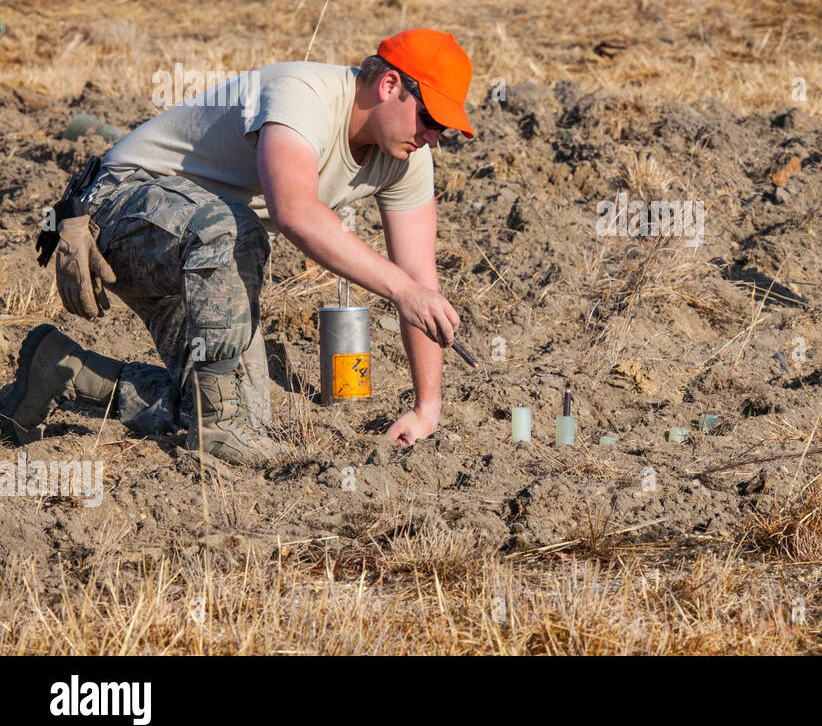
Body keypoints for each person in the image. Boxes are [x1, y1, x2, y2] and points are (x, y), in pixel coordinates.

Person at [1, 29, 472, 465]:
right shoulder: (303, 95)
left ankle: (64, 372)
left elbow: (419, 283)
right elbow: (294, 212)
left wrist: (425, 408)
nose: (433, 137)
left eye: (444, 130)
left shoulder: (409, 160)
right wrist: (400, 291)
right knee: (235, 230)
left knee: (228, 413)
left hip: (206, 258)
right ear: (390, 85)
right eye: (430, 118)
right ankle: (220, 428)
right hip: (118, 208)